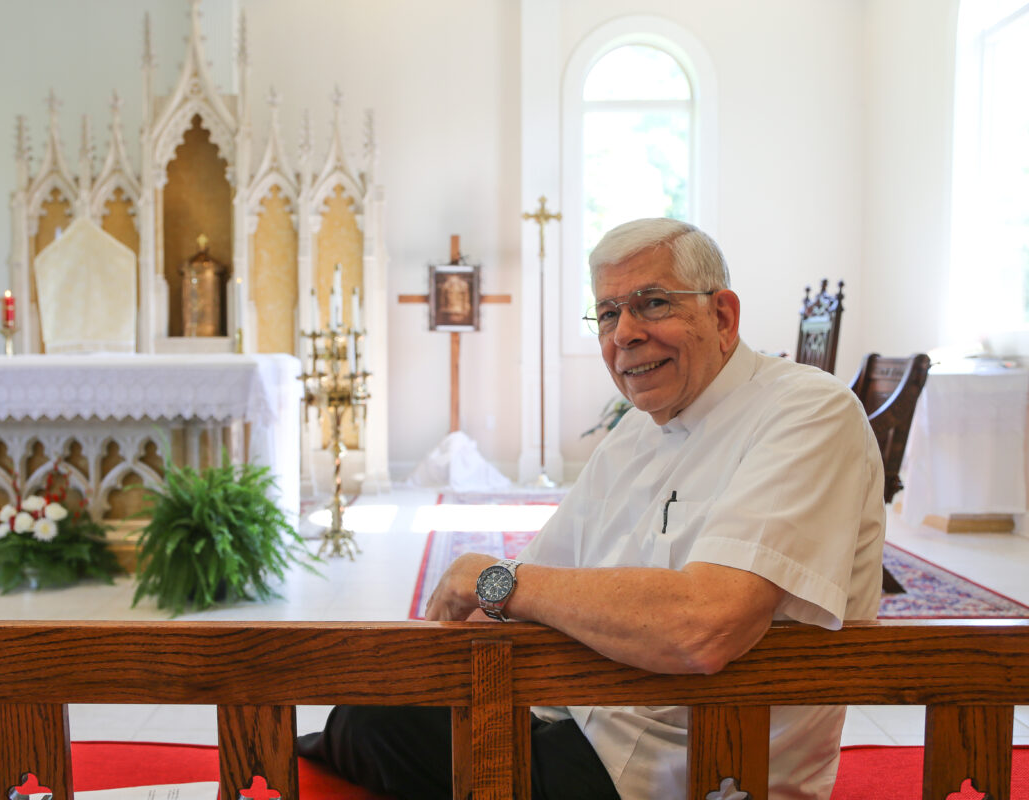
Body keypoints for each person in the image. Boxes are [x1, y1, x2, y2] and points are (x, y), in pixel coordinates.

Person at [297, 218, 885, 800]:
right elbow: (517, 596)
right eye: (607, 314)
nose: (623, 333)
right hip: (579, 725)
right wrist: (426, 664)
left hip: (696, 768)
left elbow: (704, 627)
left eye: (652, 303)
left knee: (374, 726)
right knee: (380, 703)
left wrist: (492, 580)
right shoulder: (635, 433)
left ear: (723, 316)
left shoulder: (808, 412)